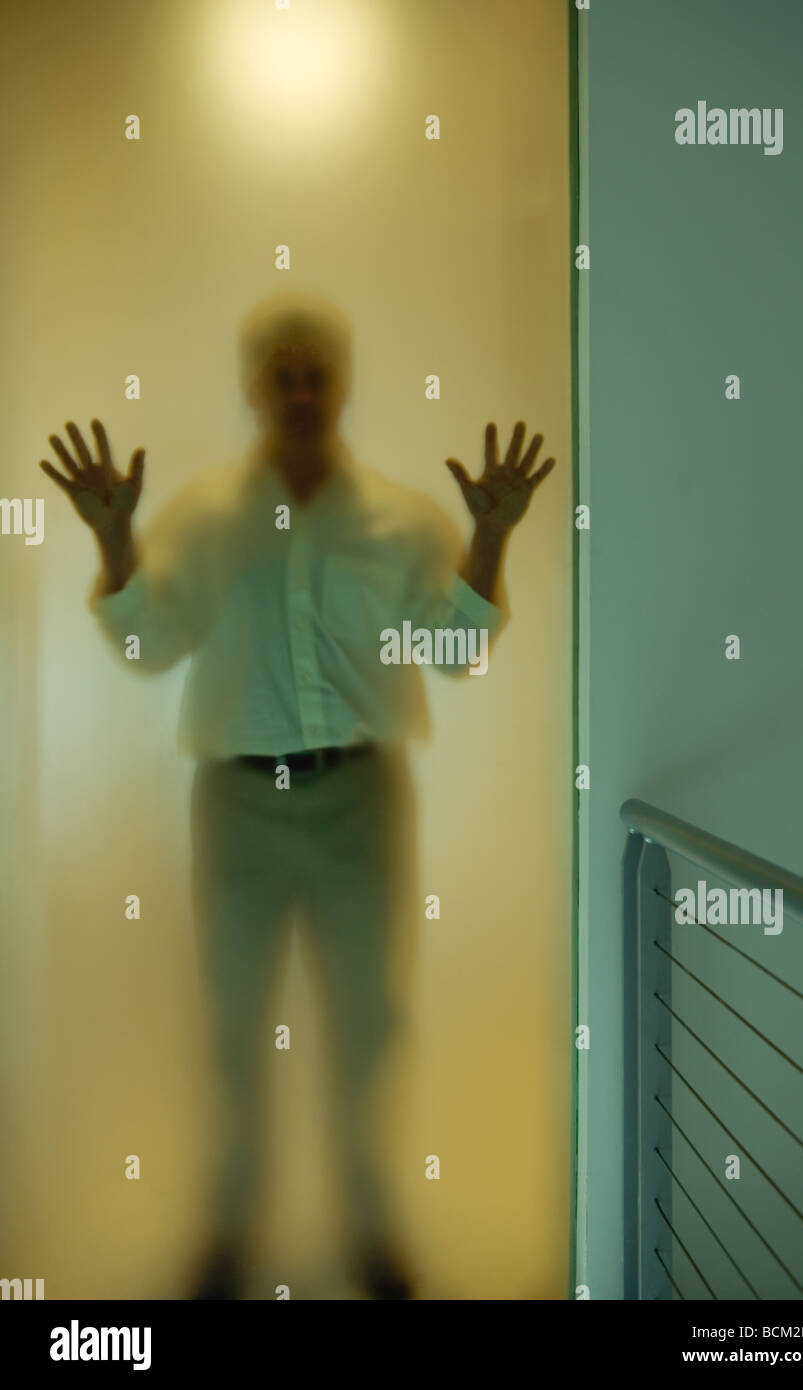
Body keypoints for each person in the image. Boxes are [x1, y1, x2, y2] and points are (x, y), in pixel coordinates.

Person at [38, 290, 556, 1299]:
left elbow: (453, 650)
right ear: (255, 388)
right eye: (283, 372)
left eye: (318, 372)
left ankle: (374, 1235)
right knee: (234, 1025)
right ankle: (228, 1235)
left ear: (343, 385)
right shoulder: (204, 520)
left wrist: (490, 538)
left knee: (369, 1024)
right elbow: (147, 645)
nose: (302, 390)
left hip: (361, 801)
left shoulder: (403, 520)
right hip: (236, 811)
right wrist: (113, 538)